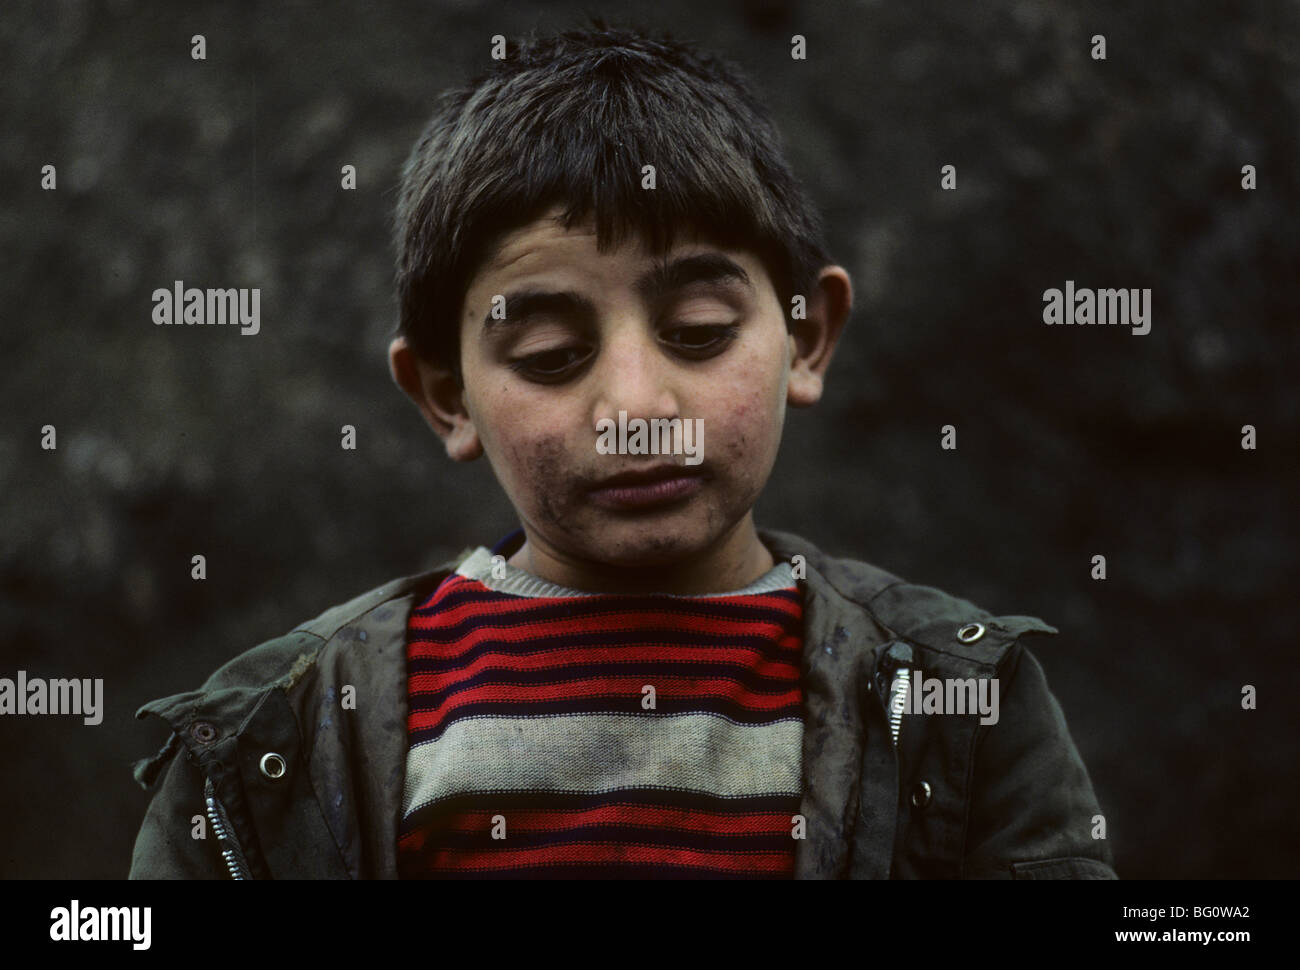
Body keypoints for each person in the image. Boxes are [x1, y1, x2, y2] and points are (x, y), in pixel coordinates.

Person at [128, 22, 1116, 879]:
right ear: (446, 395)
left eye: (697, 330)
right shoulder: (274, 737)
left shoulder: (961, 699)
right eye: (551, 356)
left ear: (807, 336)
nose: (635, 407)